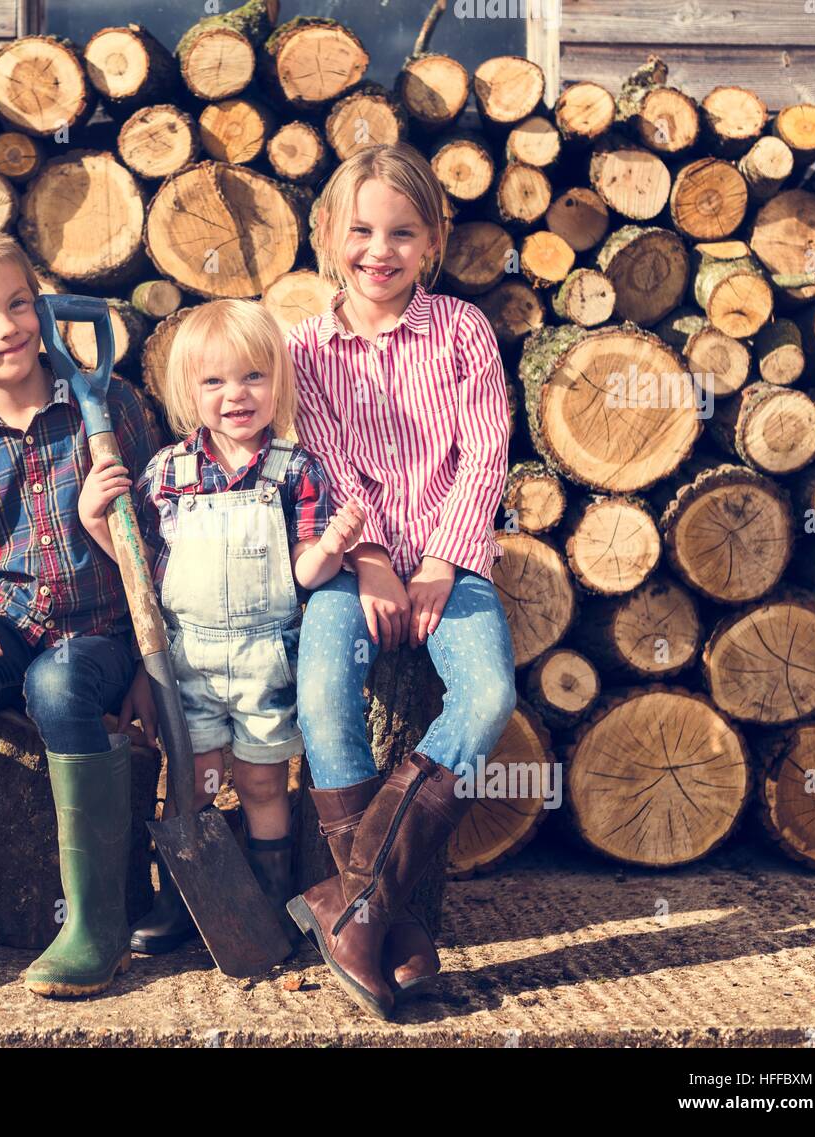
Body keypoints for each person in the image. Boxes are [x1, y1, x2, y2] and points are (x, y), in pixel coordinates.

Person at [283, 143, 518, 1020]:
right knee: (323, 692)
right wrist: (376, 560)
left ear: (433, 240)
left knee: (488, 692)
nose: (379, 251)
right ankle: (390, 922)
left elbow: (483, 453)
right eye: (361, 231)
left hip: (450, 564)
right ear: (326, 237)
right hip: (352, 562)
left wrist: (439, 563)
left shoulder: (463, 331)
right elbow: (327, 459)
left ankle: (354, 902)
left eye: (402, 233)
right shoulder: (305, 347)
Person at [0, 226, 164, 996]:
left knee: (58, 687)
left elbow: (160, 541)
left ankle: (95, 920)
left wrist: (155, 666)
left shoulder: (108, 406)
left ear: (45, 308)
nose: (7, 327)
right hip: (9, 620)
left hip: (103, 631)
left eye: (19, 304)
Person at [78, 299, 365, 954]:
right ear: (190, 391)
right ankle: (189, 896)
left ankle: (265, 899)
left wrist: (333, 546)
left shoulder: (296, 470)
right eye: (214, 382)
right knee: (194, 777)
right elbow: (140, 570)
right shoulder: (168, 472)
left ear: (278, 383)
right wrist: (98, 521)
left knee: (264, 781)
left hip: (266, 656)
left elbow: (307, 573)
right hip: (192, 659)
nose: (235, 395)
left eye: (252, 378)